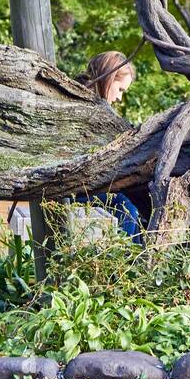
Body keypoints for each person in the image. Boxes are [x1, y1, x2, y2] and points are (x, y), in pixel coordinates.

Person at [77, 51, 145, 241]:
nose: (120, 98)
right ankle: (124, 266)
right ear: (109, 78)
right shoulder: (85, 106)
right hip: (71, 191)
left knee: (135, 208)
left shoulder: (95, 106)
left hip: (86, 188)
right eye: (121, 89)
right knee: (125, 206)